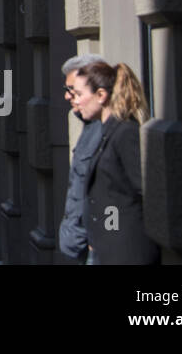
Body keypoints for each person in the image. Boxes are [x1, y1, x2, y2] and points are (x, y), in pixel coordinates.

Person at [74, 61, 159, 265]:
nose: (75, 101)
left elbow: (143, 190)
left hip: (125, 252)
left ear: (101, 95)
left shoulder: (125, 133)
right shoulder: (106, 133)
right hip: (109, 248)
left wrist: (111, 230)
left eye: (79, 94)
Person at [58, 53, 107, 263]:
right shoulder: (90, 126)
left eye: (73, 90)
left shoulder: (113, 131)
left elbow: (115, 197)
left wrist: (104, 235)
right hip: (81, 246)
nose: (69, 97)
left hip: (95, 250)